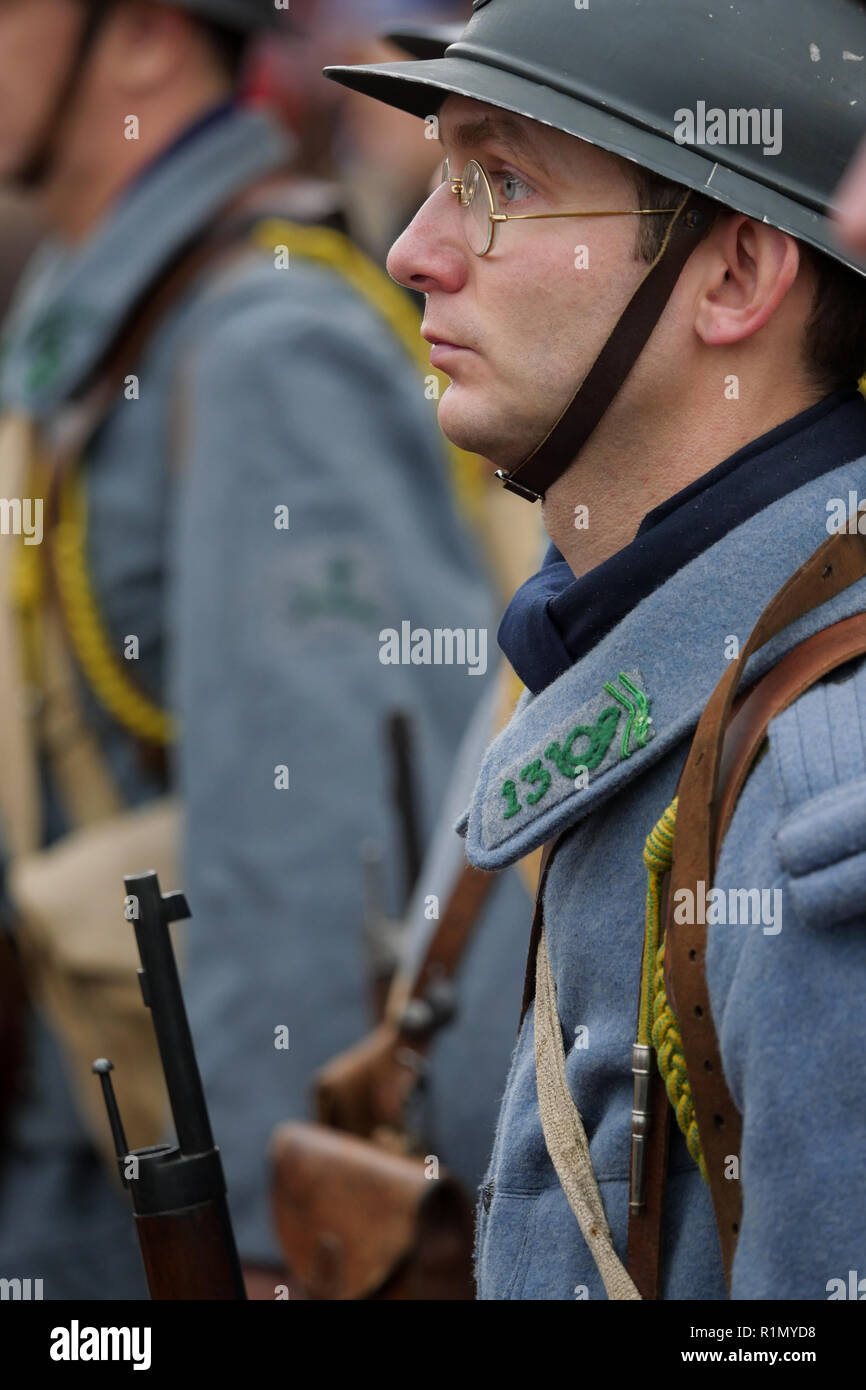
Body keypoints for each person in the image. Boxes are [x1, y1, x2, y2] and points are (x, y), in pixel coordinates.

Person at [327, 0, 866, 1299]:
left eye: (500, 181)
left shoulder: (814, 796)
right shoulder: (626, 642)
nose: (413, 251)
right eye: (443, 176)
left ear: (734, 277)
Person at [0, 0, 493, 1299]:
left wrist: (286, 1247)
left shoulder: (267, 346)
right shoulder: (103, 321)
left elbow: (320, 853)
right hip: (84, 1170)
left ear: (150, 31)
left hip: (191, 1220)